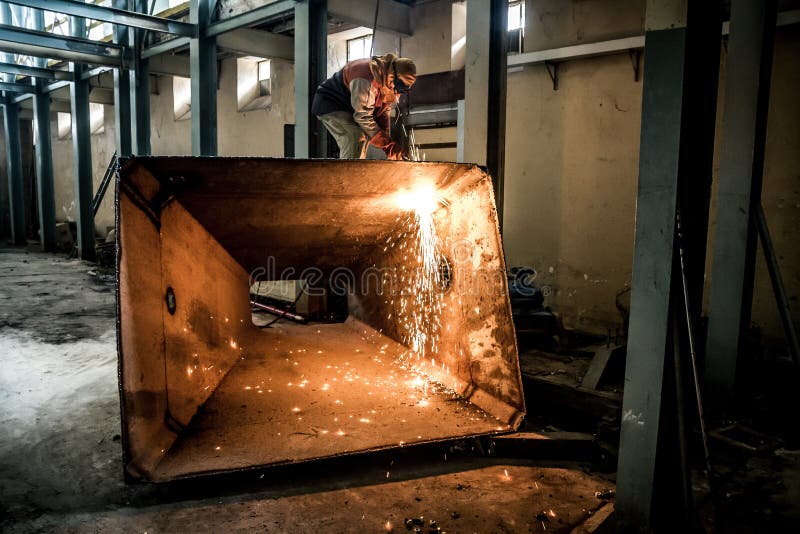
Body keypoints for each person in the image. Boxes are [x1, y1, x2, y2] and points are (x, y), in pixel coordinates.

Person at [312, 53, 417, 160]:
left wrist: (388, 144)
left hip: (351, 107)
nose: (397, 91)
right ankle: (349, 175)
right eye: (398, 86)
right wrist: (388, 145)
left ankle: (356, 171)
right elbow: (363, 117)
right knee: (355, 137)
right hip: (331, 102)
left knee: (365, 136)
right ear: (393, 75)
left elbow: (383, 112)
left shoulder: (389, 82)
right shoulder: (366, 78)